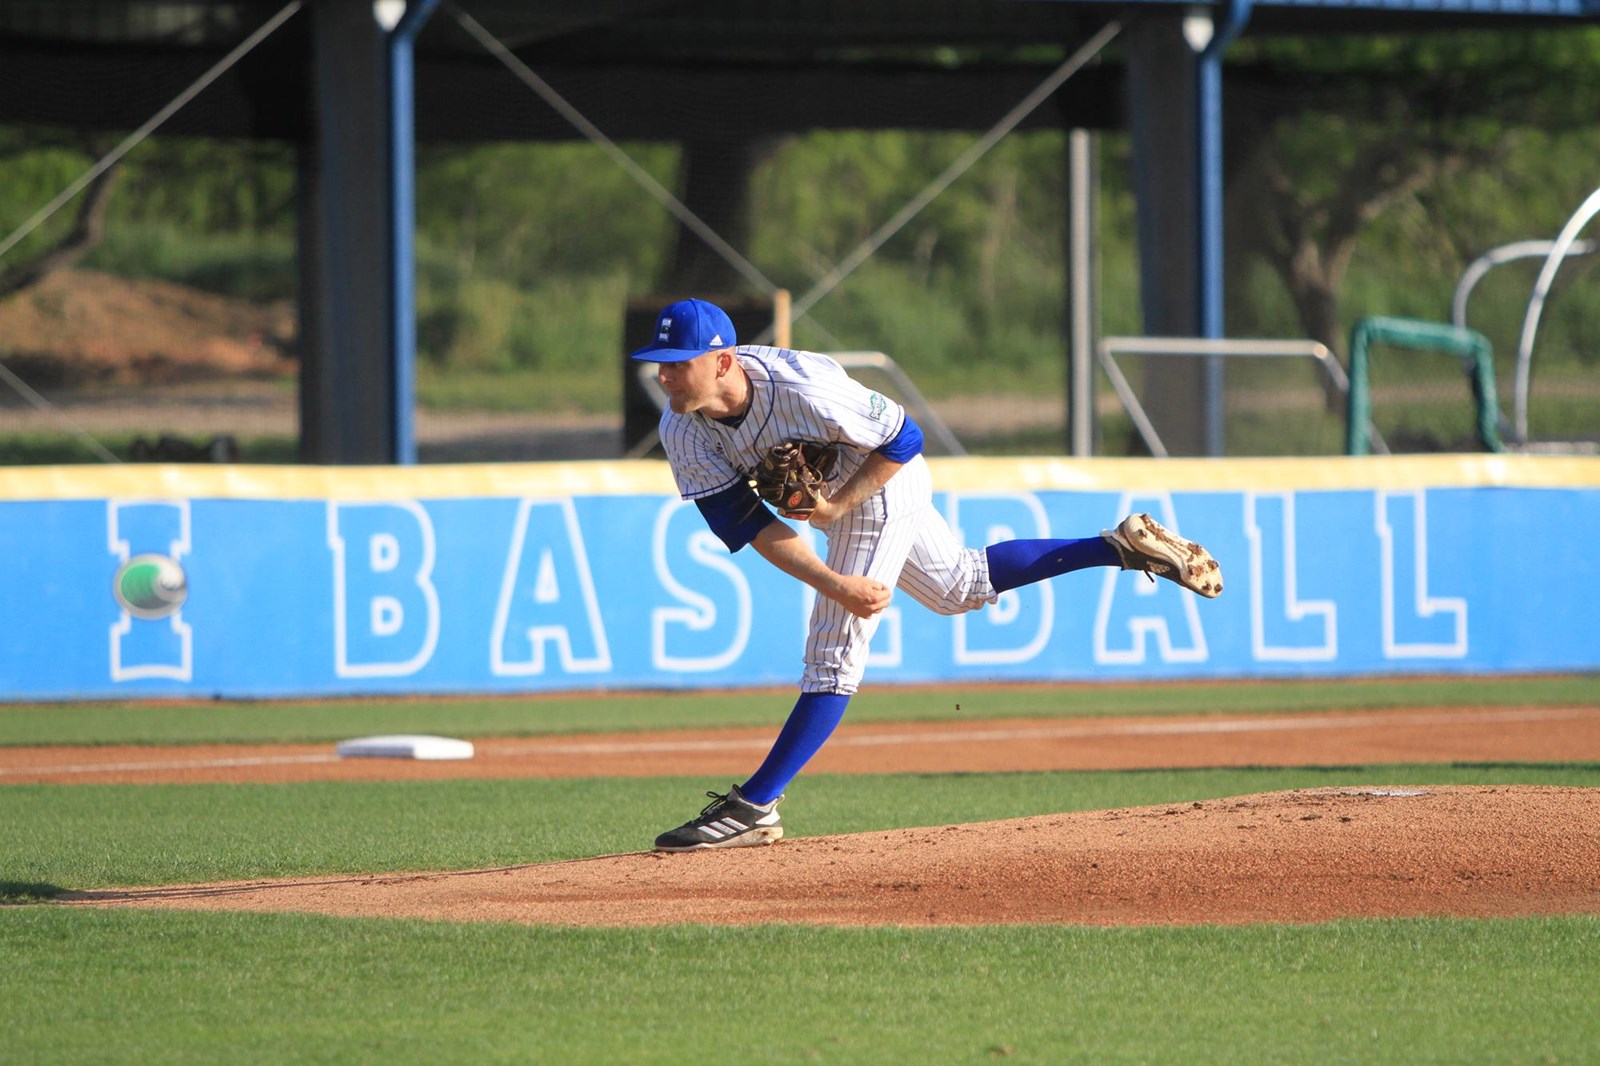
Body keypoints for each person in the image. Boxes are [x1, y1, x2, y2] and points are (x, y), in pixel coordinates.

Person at [630, 297, 1222, 852]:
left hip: (880, 483)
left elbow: (905, 439)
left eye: (677, 365)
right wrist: (832, 577)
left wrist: (837, 520)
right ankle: (1117, 546)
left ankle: (756, 806)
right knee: (960, 587)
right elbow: (748, 524)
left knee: (834, 653)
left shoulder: (804, 390)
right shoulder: (682, 429)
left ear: (723, 360)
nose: (664, 376)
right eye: (659, 364)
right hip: (837, 502)